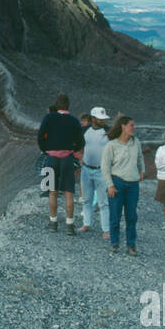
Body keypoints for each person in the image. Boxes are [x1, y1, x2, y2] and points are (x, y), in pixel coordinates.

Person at [37, 94, 85, 235]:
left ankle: (53, 223)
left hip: (51, 159)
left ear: (56, 105)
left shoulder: (48, 118)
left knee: (52, 191)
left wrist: (45, 149)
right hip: (68, 159)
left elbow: (40, 136)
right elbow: (81, 141)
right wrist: (73, 150)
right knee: (68, 193)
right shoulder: (74, 121)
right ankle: (70, 225)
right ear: (68, 105)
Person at [102, 114, 144, 255]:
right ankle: (114, 243)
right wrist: (110, 185)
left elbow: (140, 157)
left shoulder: (136, 142)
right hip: (117, 182)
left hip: (133, 184)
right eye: (131, 125)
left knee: (131, 216)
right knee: (115, 215)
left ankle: (131, 245)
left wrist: (142, 170)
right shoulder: (111, 145)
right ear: (123, 126)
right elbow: (105, 167)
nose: (134, 127)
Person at [80, 107, 112, 236]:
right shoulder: (85, 130)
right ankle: (86, 224)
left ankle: (106, 229)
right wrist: (80, 157)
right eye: (100, 118)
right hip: (86, 169)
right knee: (86, 199)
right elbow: (78, 143)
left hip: (101, 171)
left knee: (104, 202)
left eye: (104, 118)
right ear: (93, 119)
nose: (103, 120)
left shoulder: (109, 132)